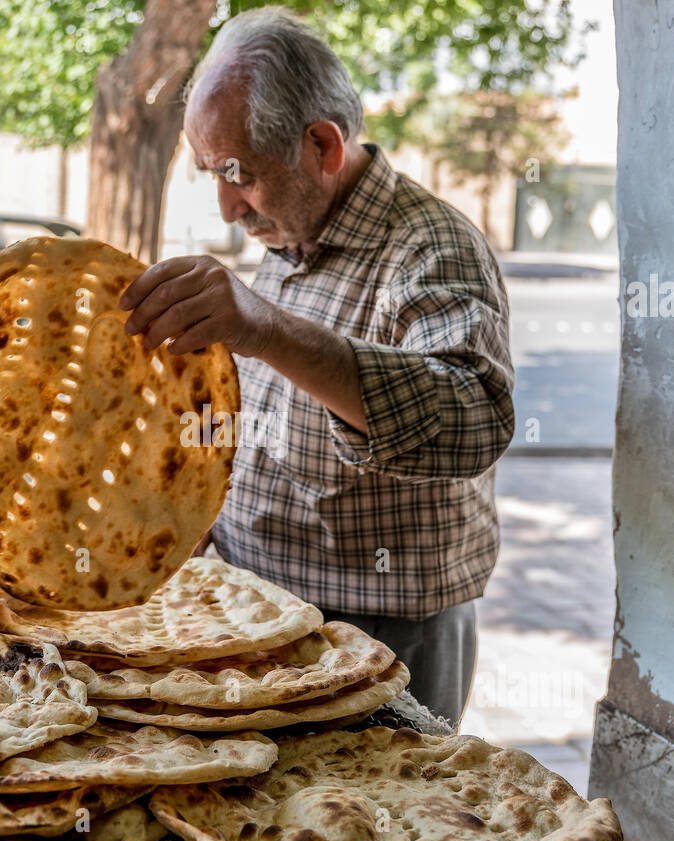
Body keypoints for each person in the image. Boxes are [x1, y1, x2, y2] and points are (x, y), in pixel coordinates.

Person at [119, 7, 514, 723]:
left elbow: (474, 421)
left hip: (380, 632)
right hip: (245, 602)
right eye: (212, 174)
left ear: (323, 146)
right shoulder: (286, 241)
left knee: (373, 830)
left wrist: (266, 329)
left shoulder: (431, 248)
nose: (227, 207)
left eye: (239, 174)